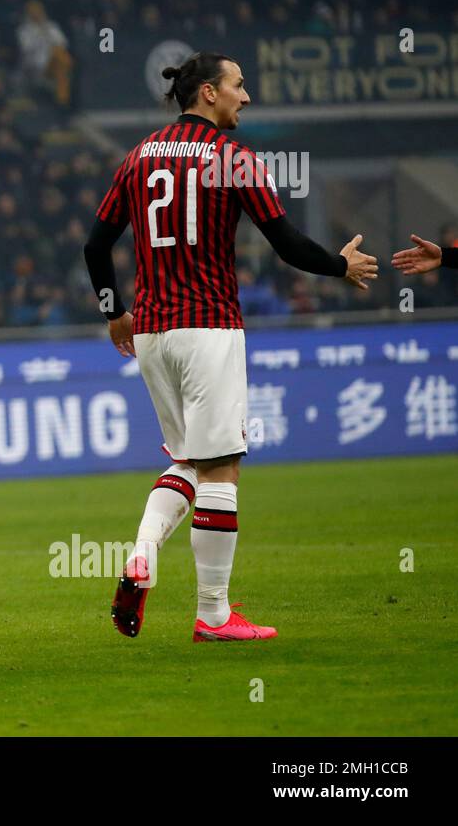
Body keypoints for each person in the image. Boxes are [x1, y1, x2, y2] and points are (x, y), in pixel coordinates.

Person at [83, 52, 377, 642]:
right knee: (221, 468)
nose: (247, 97)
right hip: (209, 326)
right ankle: (213, 614)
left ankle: (142, 554)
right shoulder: (233, 159)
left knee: (186, 460)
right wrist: (339, 264)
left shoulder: (139, 157)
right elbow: (286, 244)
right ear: (210, 93)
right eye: (239, 87)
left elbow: (96, 245)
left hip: (152, 334)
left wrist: (114, 312)